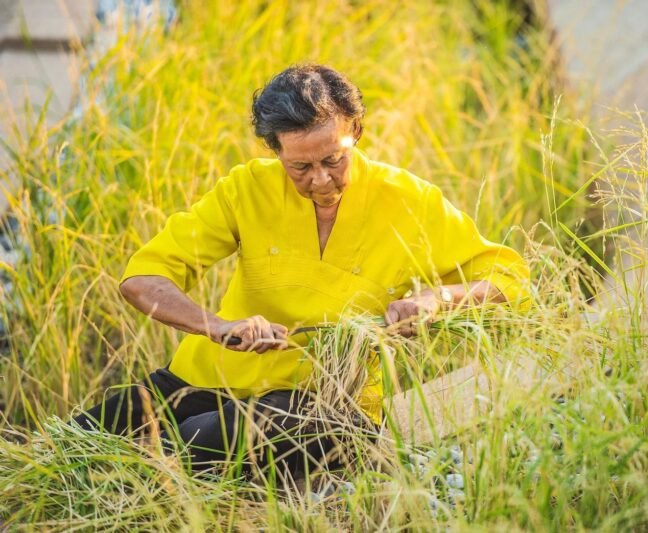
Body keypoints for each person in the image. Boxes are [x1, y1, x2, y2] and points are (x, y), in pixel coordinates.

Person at [73, 64, 530, 478]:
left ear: (356, 132)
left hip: (326, 408)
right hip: (208, 378)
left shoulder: (410, 200)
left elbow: (511, 278)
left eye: (334, 159)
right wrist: (217, 327)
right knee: (80, 445)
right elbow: (143, 279)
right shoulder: (246, 189)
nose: (321, 179)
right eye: (300, 167)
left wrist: (436, 299)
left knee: (195, 439)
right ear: (275, 151)